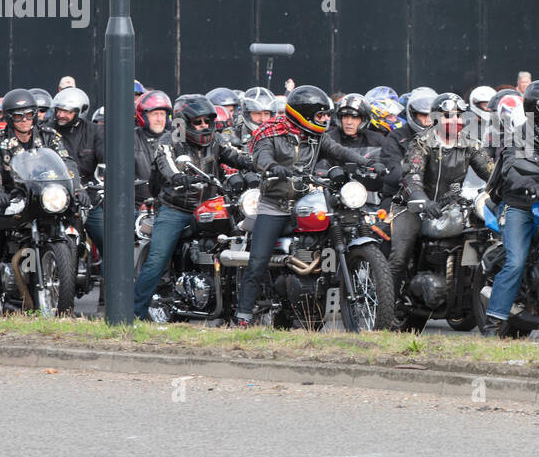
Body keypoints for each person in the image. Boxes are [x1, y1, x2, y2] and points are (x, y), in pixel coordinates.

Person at [232, 86, 371, 326]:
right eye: (321, 116)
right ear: (303, 114)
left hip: (306, 201)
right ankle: (244, 314)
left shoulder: (316, 136)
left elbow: (338, 150)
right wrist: (273, 167)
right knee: (258, 260)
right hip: (274, 204)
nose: (326, 120)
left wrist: (367, 163)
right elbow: (261, 156)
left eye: (327, 115)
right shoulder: (270, 134)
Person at [133, 94, 259, 321]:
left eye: (207, 121)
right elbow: (167, 164)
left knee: (247, 240)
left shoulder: (216, 140)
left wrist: (261, 164)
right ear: (183, 121)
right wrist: (180, 177)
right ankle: (134, 314)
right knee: (157, 259)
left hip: (211, 206)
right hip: (177, 208)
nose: (203, 126)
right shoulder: (169, 141)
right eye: (197, 122)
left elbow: (238, 156)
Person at [0, 89, 80, 313]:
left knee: (75, 228)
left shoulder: (50, 136)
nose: (25, 120)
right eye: (19, 116)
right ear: (9, 117)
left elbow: (67, 163)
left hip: (44, 197)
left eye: (29, 115)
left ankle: (66, 297)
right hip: (8, 198)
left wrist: (77, 187)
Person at [481, 78, 539, 336]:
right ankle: (494, 323)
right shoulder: (521, 134)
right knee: (516, 262)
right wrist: (527, 184)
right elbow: (511, 167)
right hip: (519, 206)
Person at [389, 93, 492, 305]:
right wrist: (423, 201)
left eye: (458, 116)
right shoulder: (421, 143)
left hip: (451, 205)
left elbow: (491, 172)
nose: (454, 120)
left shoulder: (470, 144)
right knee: (400, 256)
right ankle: (388, 305)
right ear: (436, 118)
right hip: (413, 206)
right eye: (447, 116)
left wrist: (513, 184)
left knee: (482, 234)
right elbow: (412, 176)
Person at [321, 93, 401, 204]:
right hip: (335, 201)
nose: (349, 122)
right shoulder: (329, 139)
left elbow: (393, 170)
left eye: (354, 117)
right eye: (345, 117)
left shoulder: (378, 140)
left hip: (373, 204)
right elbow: (318, 171)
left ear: (363, 119)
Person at [52, 86, 105, 252]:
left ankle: (109, 277)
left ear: (81, 111)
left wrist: (100, 182)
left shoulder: (95, 131)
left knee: (110, 242)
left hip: (88, 198)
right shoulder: (46, 130)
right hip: (54, 198)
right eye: (59, 110)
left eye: (67, 111)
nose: (61, 115)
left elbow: (106, 161)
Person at [134, 89, 172, 203]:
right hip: (136, 204)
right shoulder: (130, 139)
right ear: (143, 116)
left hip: (167, 204)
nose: (159, 119)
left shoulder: (174, 140)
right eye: (155, 114)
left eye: (162, 114)